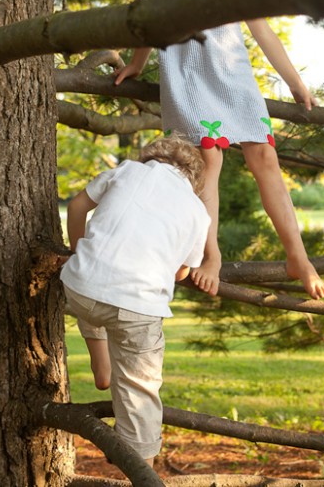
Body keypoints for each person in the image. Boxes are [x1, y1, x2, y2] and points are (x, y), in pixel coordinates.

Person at [113, 0, 324, 300]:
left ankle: (297, 257)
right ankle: (210, 254)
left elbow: (262, 32)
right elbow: (149, 18)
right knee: (209, 158)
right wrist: (137, 64)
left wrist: (295, 82)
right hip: (188, 75)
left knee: (265, 156)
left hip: (232, 77)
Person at [61, 136, 211, 464]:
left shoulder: (126, 170)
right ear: (193, 177)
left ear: (150, 158)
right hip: (136, 307)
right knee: (140, 389)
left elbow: (76, 207)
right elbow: (183, 272)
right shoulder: (198, 212)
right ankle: (141, 463)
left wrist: (78, 250)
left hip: (80, 288)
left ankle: (101, 364)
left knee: (95, 283)